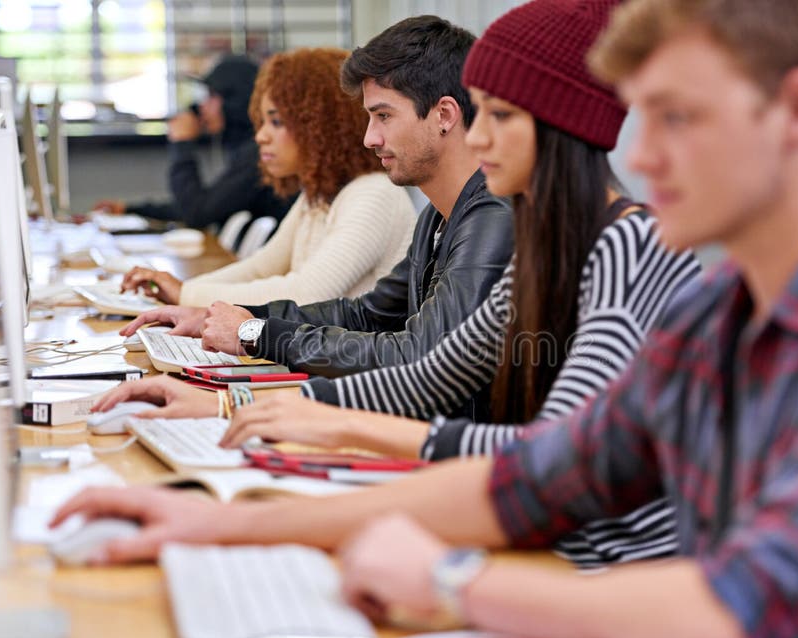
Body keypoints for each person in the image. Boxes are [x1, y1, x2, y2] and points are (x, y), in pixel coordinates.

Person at [56, 0, 798, 638]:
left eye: (678, 118)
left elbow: (747, 609)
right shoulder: (719, 315)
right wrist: (211, 526)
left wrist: (450, 581)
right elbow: (537, 476)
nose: (643, 154)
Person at [81, 0, 699, 572]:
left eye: (501, 116)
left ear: (563, 128)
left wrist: (331, 428)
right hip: (546, 543)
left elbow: (547, 465)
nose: (477, 139)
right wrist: (238, 407)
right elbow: (428, 378)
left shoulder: (625, 244)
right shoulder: (546, 245)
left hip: (602, 567)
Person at [118, 16, 516, 420]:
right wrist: (236, 317)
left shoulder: (492, 216)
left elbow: (420, 356)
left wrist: (255, 335)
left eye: (383, 116)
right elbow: (365, 314)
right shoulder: (437, 216)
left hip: (457, 457)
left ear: (445, 115)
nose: (370, 138)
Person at [119, 48, 417, 308]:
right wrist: (179, 292)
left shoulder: (373, 194)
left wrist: (186, 294)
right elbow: (262, 269)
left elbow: (305, 293)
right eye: (262, 123)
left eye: (276, 122)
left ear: (320, 124)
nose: (261, 136)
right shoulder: (320, 194)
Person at [94, 55, 295, 236]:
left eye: (211, 96)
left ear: (234, 100)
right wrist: (131, 209)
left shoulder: (259, 154)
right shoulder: (244, 148)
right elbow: (205, 204)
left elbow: (197, 213)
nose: (203, 106)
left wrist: (182, 144)